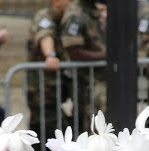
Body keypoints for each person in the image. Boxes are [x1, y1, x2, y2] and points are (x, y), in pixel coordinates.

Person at [24, 0, 71, 142]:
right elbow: (45, 36)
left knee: (38, 131)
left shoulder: (63, 19)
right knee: (57, 132)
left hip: (53, 88)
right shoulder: (44, 16)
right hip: (41, 89)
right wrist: (50, 55)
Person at [59, 0, 105, 136]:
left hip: (100, 81)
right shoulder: (76, 14)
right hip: (87, 84)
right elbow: (74, 51)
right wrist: (105, 56)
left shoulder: (91, 11)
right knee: (92, 132)